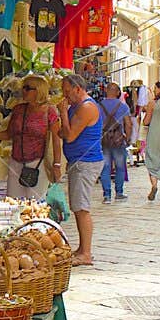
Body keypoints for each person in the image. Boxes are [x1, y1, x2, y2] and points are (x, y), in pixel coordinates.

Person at [58, 73, 103, 264]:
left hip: (85, 162)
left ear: (78, 89)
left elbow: (69, 135)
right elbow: (63, 131)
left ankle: (86, 253)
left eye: (67, 92)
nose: (65, 96)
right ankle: (82, 248)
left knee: (82, 207)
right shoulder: (76, 107)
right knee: (77, 206)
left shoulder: (86, 107)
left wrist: (62, 113)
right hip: (78, 161)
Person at [5, 74, 62, 200]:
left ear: (39, 90)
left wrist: (56, 165)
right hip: (16, 162)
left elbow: (56, 140)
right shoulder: (18, 110)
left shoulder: (49, 111)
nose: (23, 91)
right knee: (12, 202)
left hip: (38, 163)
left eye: (27, 88)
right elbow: (9, 134)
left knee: (35, 203)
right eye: (23, 87)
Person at [97, 82, 132, 204]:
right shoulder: (123, 106)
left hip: (103, 140)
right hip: (118, 140)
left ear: (106, 91)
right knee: (120, 167)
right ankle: (119, 192)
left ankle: (107, 195)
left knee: (105, 167)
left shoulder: (98, 106)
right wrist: (128, 137)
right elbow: (128, 123)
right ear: (118, 93)